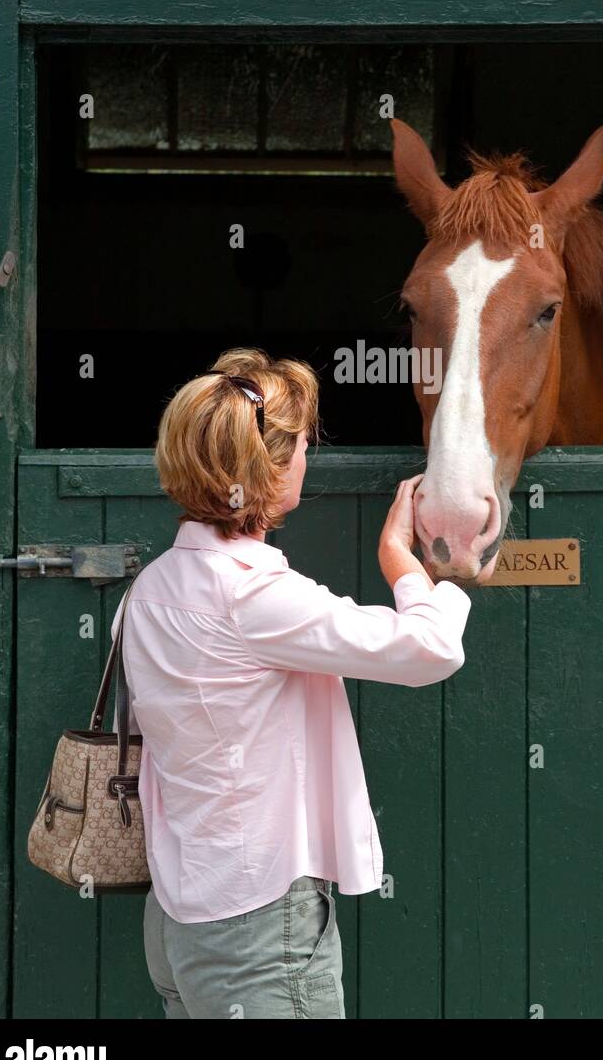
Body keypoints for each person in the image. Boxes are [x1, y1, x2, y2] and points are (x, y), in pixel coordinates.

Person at [112, 347, 470, 1019]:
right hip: (256, 926)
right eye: (303, 443)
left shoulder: (150, 588)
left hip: (180, 915)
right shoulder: (251, 593)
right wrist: (404, 565)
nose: (308, 455)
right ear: (269, 466)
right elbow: (430, 648)